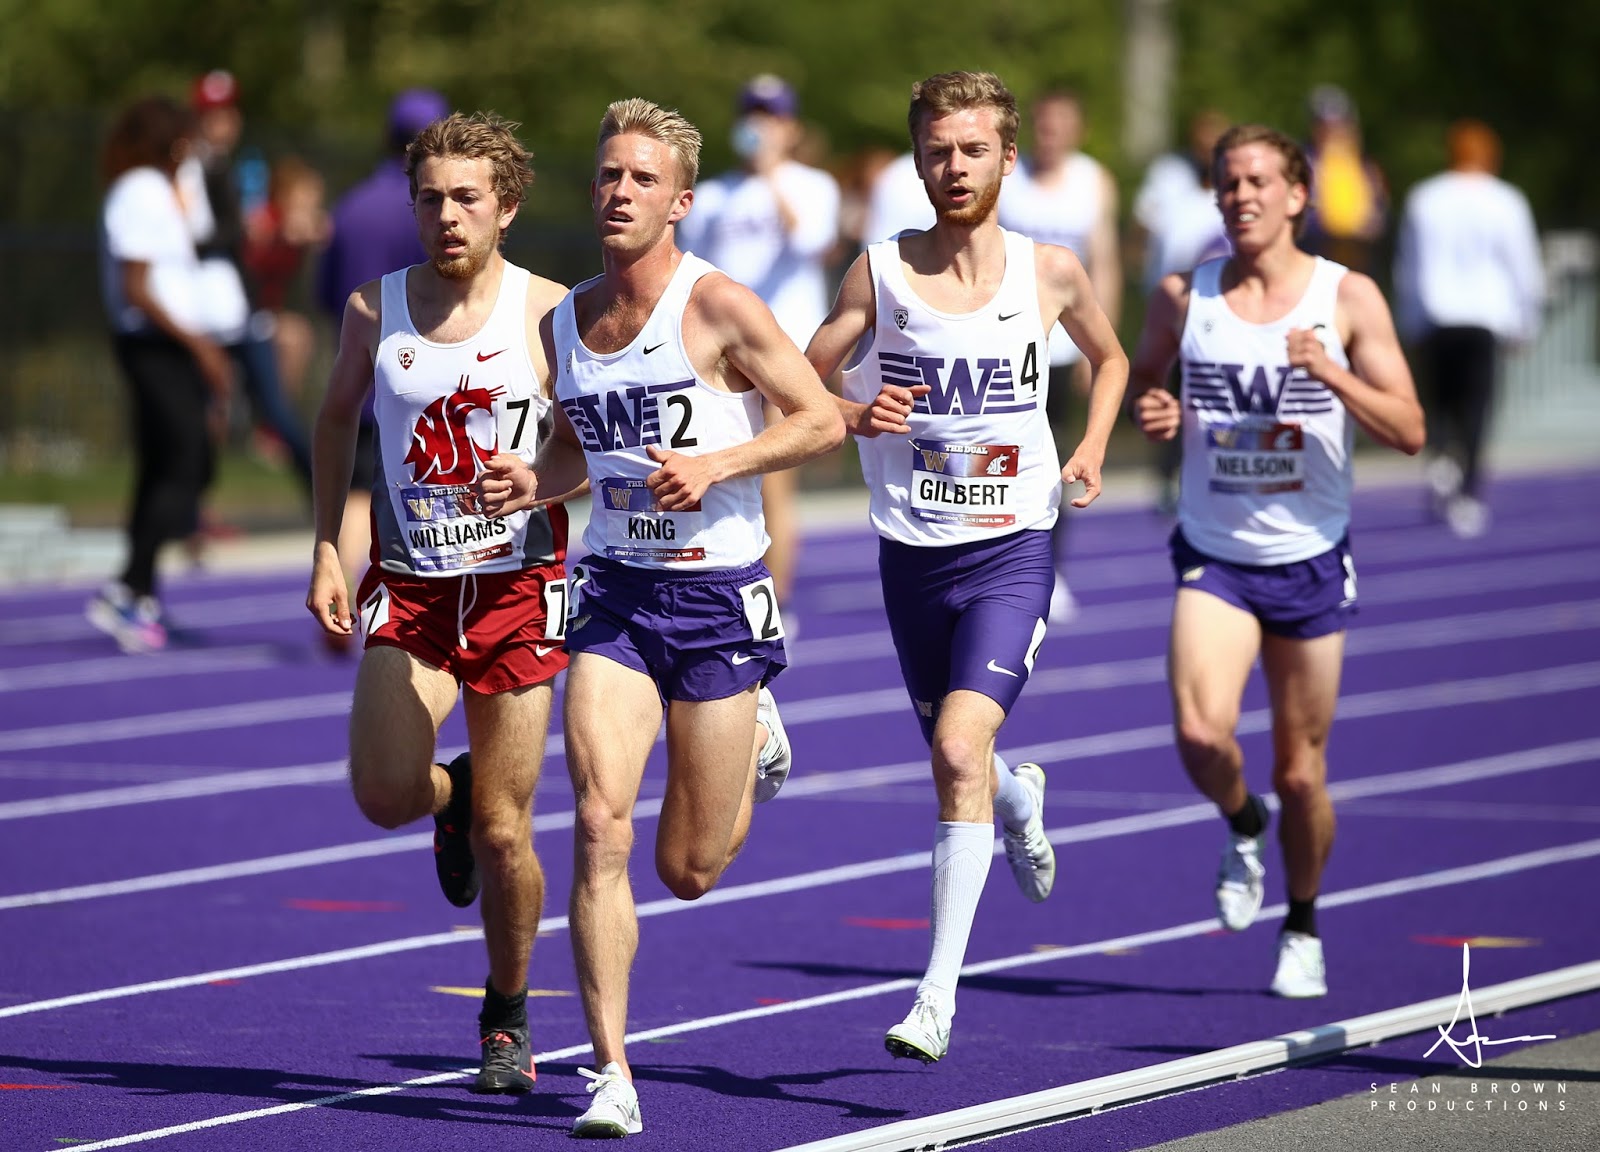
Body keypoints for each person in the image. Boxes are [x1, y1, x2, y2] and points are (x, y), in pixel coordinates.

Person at [474, 96, 844, 1137]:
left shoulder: (719, 305)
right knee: (598, 823)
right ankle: (611, 1072)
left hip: (718, 598)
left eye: (641, 179)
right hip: (617, 596)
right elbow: (577, 452)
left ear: (680, 201)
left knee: (687, 870)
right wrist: (532, 484)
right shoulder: (563, 322)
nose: (619, 191)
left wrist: (720, 461)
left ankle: (755, 725)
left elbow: (819, 418)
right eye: (607, 175)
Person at [804, 70, 1129, 1063]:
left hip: (1011, 549)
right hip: (911, 558)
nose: (953, 168)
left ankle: (935, 997)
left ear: (1005, 158)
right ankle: (1021, 796)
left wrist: (1091, 450)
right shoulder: (880, 274)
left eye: (972, 149)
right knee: (966, 764)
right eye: (937, 151)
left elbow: (1110, 362)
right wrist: (856, 409)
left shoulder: (1051, 272)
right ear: (917, 158)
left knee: (954, 753)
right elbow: (802, 371)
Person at [305, 111, 571, 1096]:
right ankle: (443, 798)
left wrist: (542, 483)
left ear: (506, 206)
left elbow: (592, 449)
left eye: (467, 199)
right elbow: (336, 421)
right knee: (382, 792)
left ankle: (506, 1011)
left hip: (515, 589)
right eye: (431, 199)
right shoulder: (374, 311)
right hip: (411, 587)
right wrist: (329, 544)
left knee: (510, 834)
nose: (447, 217)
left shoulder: (551, 314)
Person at [1127, 123, 1425, 999]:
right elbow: (1148, 377)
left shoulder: (1348, 297)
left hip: (1309, 557)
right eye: (1229, 182)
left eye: (1260, 180)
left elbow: (1409, 430)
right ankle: (1239, 819)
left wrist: (1331, 374)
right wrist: (1157, 410)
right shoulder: (1185, 296)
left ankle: (1302, 922)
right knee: (1198, 731)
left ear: (1298, 196)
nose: (1242, 195)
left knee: (1301, 770)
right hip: (1215, 552)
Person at [677, 74, 842, 633]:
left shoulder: (812, 185)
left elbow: (811, 244)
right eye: (751, 113)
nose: (758, 125)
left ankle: (778, 598)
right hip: (720, 356)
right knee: (720, 468)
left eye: (770, 116)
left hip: (784, 348)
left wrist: (772, 174)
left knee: (774, 478)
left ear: (789, 127)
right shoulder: (715, 192)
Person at [88, 95, 233, 653]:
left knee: (163, 466)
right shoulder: (139, 191)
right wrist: (200, 347)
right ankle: (127, 584)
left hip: (169, 344)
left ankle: (138, 590)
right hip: (154, 345)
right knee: (184, 458)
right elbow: (137, 285)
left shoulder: (164, 190)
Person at [315, 87, 453, 618]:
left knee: (358, 486)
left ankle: (342, 583)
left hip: (362, 366)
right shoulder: (432, 207)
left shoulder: (349, 208)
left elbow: (329, 297)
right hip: (427, 374)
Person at [997, 87, 1122, 623]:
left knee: (1055, 459)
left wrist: (1102, 345)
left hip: (1066, 345)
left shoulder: (1093, 181)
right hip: (1007, 340)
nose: (1050, 135)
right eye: (1042, 125)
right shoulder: (1010, 179)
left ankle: (1051, 568)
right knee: (1002, 454)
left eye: (1060, 125)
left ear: (1077, 131)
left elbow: (1106, 260)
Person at [1394, 119, 1544, 539]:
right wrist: (1525, 322)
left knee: (1440, 401)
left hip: (1436, 315)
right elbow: (1523, 266)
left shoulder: (1424, 198)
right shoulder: (1507, 201)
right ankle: (1469, 491)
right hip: (1484, 319)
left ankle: (1441, 459)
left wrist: (1410, 319)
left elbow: (1409, 265)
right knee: (1476, 407)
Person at [182, 70, 314, 498]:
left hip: (241, 312)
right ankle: (193, 513)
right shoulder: (187, 169)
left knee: (277, 407)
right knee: (204, 417)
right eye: (212, 115)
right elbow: (199, 236)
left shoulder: (237, 170)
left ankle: (324, 498)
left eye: (227, 114)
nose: (223, 124)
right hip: (202, 314)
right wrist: (245, 231)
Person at [1129, 108, 1232, 515]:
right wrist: (1141, 278)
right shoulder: (1168, 176)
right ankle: (1167, 475)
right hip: (1173, 306)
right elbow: (1140, 229)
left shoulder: (1235, 184)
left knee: (1216, 393)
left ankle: (1214, 469)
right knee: (1167, 389)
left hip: (1223, 308)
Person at [1301, 85, 1388, 278]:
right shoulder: (1302, 164)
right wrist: (1338, 229)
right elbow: (1301, 219)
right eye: (1325, 125)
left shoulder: (1364, 166)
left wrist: (1375, 222)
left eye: (1340, 124)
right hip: (1316, 264)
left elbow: (1381, 214)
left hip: (1359, 265)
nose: (1334, 131)